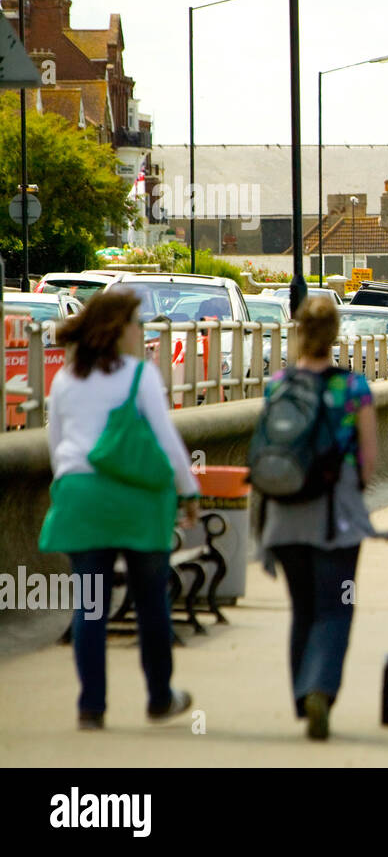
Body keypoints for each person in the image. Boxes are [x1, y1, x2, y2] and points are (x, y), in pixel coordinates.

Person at [39, 290, 199, 730]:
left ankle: (91, 707)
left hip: (80, 498)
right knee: (152, 602)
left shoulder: (65, 379)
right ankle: (160, 697)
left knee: (90, 607)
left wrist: (72, 490)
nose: (142, 331)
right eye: (138, 323)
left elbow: (57, 449)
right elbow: (167, 441)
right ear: (120, 329)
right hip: (136, 501)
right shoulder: (139, 375)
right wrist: (189, 492)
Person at [257, 295, 380, 740]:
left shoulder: (278, 385)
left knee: (303, 608)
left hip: (286, 515)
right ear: (335, 335)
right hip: (337, 515)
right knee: (337, 606)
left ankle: (301, 690)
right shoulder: (353, 388)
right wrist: (354, 489)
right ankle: (320, 688)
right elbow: (368, 460)